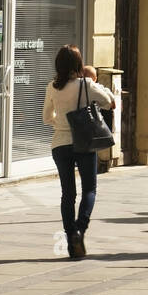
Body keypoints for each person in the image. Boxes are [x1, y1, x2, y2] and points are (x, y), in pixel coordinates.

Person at [42, 45, 116, 259]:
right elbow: (109, 103)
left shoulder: (51, 87)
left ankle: (70, 235)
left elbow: (47, 117)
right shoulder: (86, 85)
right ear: (78, 65)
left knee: (68, 194)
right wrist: (97, 85)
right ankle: (80, 230)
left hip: (60, 144)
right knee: (89, 189)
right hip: (84, 143)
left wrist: (62, 124)